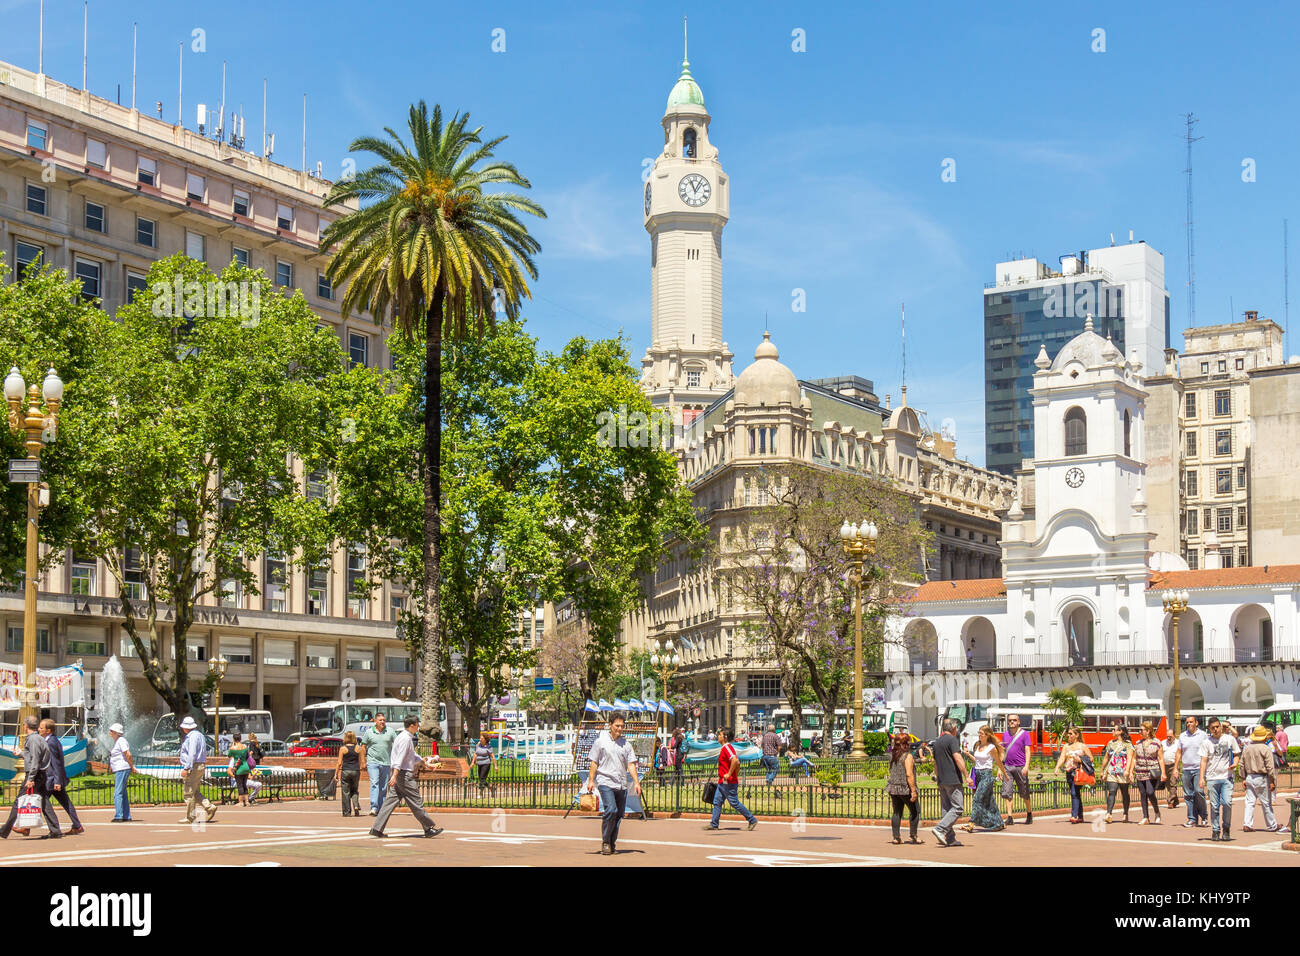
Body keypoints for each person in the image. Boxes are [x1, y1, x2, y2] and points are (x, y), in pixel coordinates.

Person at [370, 716, 442, 839]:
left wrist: (426, 764)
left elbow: (412, 756)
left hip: (400, 774)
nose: (419, 726)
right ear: (412, 725)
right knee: (416, 801)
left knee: (389, 803)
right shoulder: (405, 739)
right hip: (404, 775)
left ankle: (377, 828)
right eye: (417, 724)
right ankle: (428, 828)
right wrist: (395, 775)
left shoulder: (403, 737)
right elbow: (400, 758)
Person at [584, 713, 641, 855]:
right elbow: (594, 762)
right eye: (617, 726)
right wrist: (591, 780)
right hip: (605, 782)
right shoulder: (600, 742)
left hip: (621, 784)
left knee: (619, 815)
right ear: (610, 725)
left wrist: (636, 782)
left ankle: (611, 843)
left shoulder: (626, 744)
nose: (620, 729)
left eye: (622, 726)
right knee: (611, 810)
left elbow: (631, 765)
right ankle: (605, 841)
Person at [0, 715, 61, 838]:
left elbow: (35, 760)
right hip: (40, 774)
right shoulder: (38, 738)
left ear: (26, 726)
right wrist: (22, 754)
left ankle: (4, 831)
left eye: (23, 725)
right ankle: (55, 830)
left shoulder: (33, 739)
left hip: (35, 774)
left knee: (19, 801)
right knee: (44, 801)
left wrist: (31, 778)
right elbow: (34, 757)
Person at [706, 727, 757, 831]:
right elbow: (736, 764)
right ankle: (714, 824)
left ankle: (751, 819)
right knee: (717, 802)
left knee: (734, 802)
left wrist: (729, 774)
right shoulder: (725, 748)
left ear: (725, 737)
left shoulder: (727, 747)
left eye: (720, 735)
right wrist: (733, 774)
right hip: (723, 782)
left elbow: (735, 761)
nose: (718, 736)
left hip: (728, 782)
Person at [39, 720, 84, 835]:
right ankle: (77, 825)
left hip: (52, 780)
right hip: (54, 779)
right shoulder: (51, 740)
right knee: (66, 803)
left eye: (41, 728)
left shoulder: (51, 742)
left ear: (48, 730)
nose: (39, 729)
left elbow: (56, 763)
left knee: (42, 801)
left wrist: (57, 781)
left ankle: (49, 828)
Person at [1198, 717, 1239, 841]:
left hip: (1227, 777)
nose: (1215, 729)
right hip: (1212, 778)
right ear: (1209, 729)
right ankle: (1215, 830)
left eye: (1217, 727)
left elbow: (1237, 754)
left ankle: (1226, 828)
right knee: (1214, 806)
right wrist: (1201, 777)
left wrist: (1235, 763)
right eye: (1212, 728)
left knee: (1227, 803)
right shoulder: (1206, 742)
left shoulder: (1229, 739)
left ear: (1221, 726)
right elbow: (1203, 761)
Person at [961, 725, 1005, 832]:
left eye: (981, 733)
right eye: (979, 732)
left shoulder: (991, 747)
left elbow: (998, 761)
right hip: (978, 774)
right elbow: (977, 760)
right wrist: (967, 754)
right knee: (989, 801)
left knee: (977, 798)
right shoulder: (978, 746)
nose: (979, 735)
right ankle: (999, 823)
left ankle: (971, 823)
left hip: (986, 775)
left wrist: (1004, 773)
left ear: (987, 735)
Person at [932, 718, 967, 847]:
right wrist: (967, 776)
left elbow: (935, 763)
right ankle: (940, 829)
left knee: (946, 808)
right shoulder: (952, 740)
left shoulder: (937, 742)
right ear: (953, 728)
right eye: (956, 727)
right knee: (958, 807)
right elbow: (958, 759)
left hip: (942, 780)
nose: (957, 730)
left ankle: (950, 838)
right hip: (953, 779)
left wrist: (938, 777)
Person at [178, 715, 217, 825]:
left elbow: (192, 753)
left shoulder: (192, 737)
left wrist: (187, 767)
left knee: (188, 793)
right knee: (195, 792)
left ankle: (190, 817)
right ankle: (209, 807)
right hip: (200, 765)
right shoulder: (199, 735)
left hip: (194, 766)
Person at [1240, 726, 1279, 833]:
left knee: (1249, 802)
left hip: (1249, 777)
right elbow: (1270, 767)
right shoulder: (1266, 749)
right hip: (1262, 777)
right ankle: (1272, 825)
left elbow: (1241, 764)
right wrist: (1272, 781)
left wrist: (1243, 777)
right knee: (1266, 803)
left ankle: (1247, 823)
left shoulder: (1247, 748)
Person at [360, 713, 398, 816]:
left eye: (384, 720)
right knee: (374, 783)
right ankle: (374, 807)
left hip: (386, 763)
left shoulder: (390, 731)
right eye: (380, 720)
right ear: (375, 721)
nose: (382, 722)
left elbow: (397, 744)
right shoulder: (368, 732)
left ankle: (381, 808)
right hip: (372, 762)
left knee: (383, 787)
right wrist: (363, 761)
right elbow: (363, 747)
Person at [885, 731, 920, 844]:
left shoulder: (893, 755)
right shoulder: (907, 756)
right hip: (905, 788)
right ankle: (913, 835)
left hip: (893, 787)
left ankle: (896, 837)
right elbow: (909, 774)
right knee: (915, 811)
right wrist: (913, 791)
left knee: (897, 812)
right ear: (907, 743)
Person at [1176, 715, 1209, 827]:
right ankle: (1192, 818)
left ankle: (1204, 816)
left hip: (1199, 768)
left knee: (1199, 791)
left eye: (1191, 722)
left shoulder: (1203, 735)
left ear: (1196, 723)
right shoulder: (1182, 736)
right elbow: (1179, 752)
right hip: (1186, 768)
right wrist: (1176, 767)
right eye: (1187, 722)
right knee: (1188, 795)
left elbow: (1207, 751)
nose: (1189, 724)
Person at [1100, 723, 1136, 824]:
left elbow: (1130, 758)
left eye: (1114, 730)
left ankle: (1125, 813)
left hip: (1123, 771)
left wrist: (1128, 770)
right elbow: (1106, 757)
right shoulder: (1110, 743)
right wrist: (1102, 770)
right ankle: (1109, 813)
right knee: (1112, 791)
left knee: (1124, 793)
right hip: (1112, 771)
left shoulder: (1127, 744)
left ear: (1120, 731)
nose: (1113, 732)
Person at [1001, 713, 1032, 826]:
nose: (1012, 722)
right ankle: (1009, 816)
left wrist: (1026, 766)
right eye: (1010, 720)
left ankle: (1029, 813)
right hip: (1008, 767)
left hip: (1020, 766)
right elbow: (1003, 752)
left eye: (1014, 720)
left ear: (1019, 722)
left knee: (1024, 792)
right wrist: (1000, 768)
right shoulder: (1005, 735)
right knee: (1007, 792)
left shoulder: (1025, 734)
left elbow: (1027, 750)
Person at [1055, 726, 1090, 823]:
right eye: (1068, 733)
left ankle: (1074, 816)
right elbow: (1062, 758)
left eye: (1071, 733)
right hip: (1069, 772)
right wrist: (1057, 767)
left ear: (1077, 735)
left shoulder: (1082, 746)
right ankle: (1081, 816)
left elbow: (1091, 758)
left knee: (1074, 793)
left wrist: (1080, 760)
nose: (1068, 735)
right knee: (1076, 794)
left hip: (1078, 772)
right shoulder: (1066, 746)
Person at [1133, 720, 1164, 825]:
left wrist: (1163, 773)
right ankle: (1145, 816)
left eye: (1142, 730)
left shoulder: (1157, 742)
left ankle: (1157, 811)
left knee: (1150, 792)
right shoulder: (1138, 743)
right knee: (1142, 794)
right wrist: (1131, 771)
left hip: (1152, 771)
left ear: (1148, 731)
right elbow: (1134, 758)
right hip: (1139, 771)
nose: (1140, 732)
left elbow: (1160, 759)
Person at [107, 723, 135, 822]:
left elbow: (128, 754)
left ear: (115, 732)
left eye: (111, 731)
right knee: (123, 792)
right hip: (120, 768)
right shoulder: (118, 741)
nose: (109, 733)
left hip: (122, 768)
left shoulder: (121, 741)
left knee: (118, 793)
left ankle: (119, 815)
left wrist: (132, 766)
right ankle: (126, 815)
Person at [335, 730, 363, 816]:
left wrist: (336, 774)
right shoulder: (358, 748)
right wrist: (359, 769)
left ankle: (347, 812)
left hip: (346, 771)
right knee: (354, 790)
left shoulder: (343, 749)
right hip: (355, 770)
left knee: (345, 792)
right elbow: (361, 762)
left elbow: (339, 763)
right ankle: (355, 805)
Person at [226, 733, 252, 807]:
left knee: (239, 785)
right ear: (240, 739)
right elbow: (247, 756)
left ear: (234, 739)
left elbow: (229, 756)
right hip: (246, 767)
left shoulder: (232, 748)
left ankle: (240, 802)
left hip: (238, 768)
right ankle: (247, 801)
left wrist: (233, 746)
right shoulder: (245, 747)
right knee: (244, 784)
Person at [1161, 731, 1180, 809]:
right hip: (1165, 766)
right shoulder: (1163, 743)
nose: (1168, 738)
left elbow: (1179, 754)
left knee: (1173, 783)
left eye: (1170, 736)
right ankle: (1175, 800)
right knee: (1168, 785)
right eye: (1167, 736)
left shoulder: (1178, 743)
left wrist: (1176, 767)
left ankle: (1170, 802)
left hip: (1174, 766)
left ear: (1174, 735)